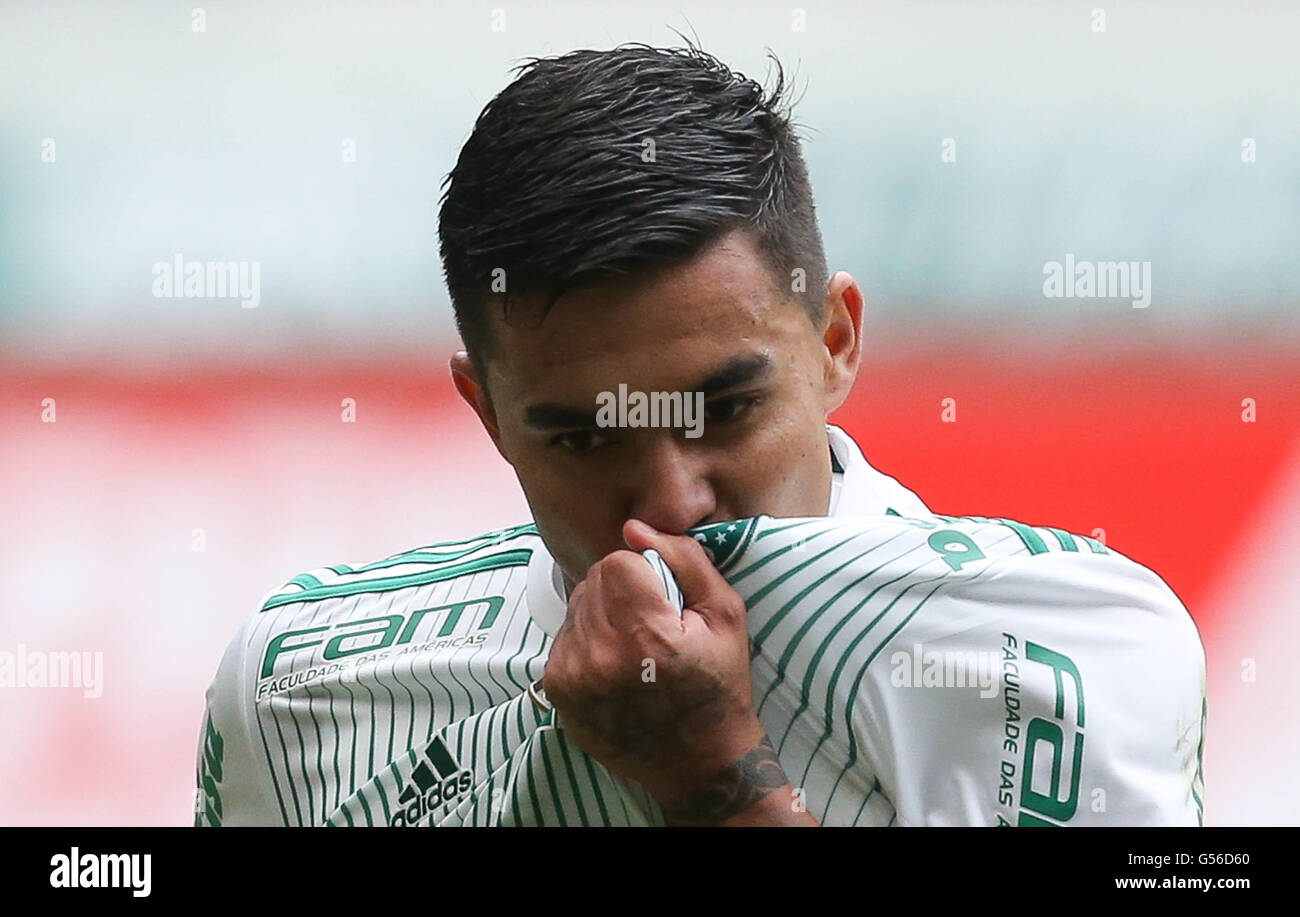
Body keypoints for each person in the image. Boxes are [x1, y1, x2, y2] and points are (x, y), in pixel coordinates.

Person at [194, 43, 1205, 827]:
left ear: (836, 342)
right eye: (586, 437)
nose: (672, 499)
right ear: (489, 414)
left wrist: (716, 782)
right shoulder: (303, 686)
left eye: (723, 411)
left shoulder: (1067, 653)